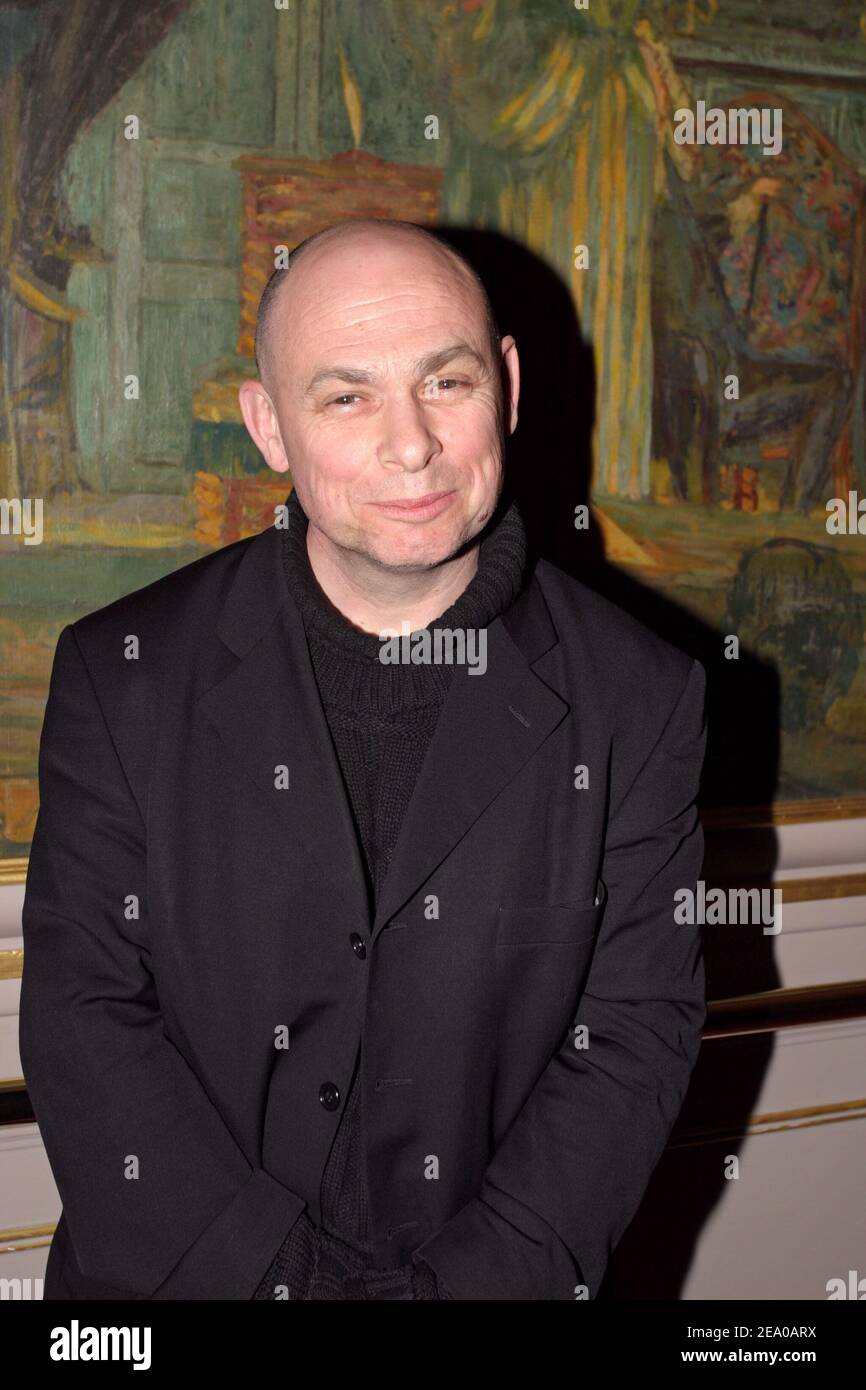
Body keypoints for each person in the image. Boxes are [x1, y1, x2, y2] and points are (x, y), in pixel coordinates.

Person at [20, 217, 707, 1300]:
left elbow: (626, 1042)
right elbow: (84, 1015)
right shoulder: (124, 674)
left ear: (509, 387)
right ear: (269, 425)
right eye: (346, 396)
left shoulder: (639, 697)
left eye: (446, 382)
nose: (410, 445)